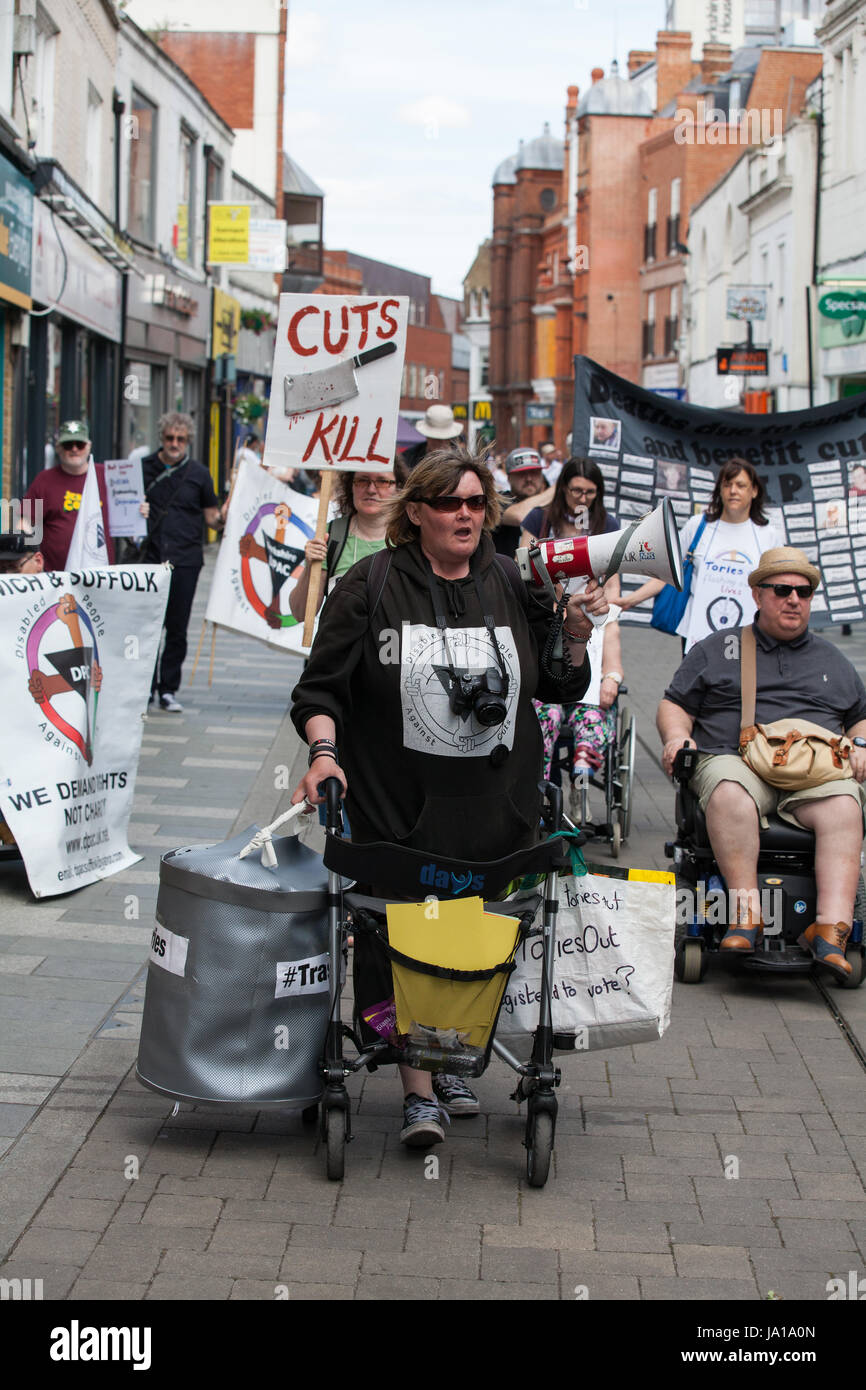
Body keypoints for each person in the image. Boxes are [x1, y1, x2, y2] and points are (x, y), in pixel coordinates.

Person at [290, 446, 608, 1146]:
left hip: (496, 812)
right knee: (399, 934)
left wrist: (577, 635)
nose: (464, 514)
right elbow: (319, 692)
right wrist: (322, 753)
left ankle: (451, 1055)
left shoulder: (510, 580)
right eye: (449, 503)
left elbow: (559, 684)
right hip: (396, 810)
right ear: (417, 513)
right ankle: (419, 1088)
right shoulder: (370, 584)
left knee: (475, 937)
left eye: (475, 503)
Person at [657, 547, 866, 978]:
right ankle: (746, 913)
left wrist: (860, 742)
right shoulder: (717, 649)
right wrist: (677, 736)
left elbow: (859, 717)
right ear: (757, 593)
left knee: (846, 806)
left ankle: (831, 930)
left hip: (813, 774)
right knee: (730, 793)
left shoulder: (833, 660)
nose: (794, 599)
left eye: (804, 592)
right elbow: (674, 703)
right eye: (783, 589)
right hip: (736, 763)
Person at [519, 458, 624, 805]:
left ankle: (581, 779)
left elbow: (612, 592)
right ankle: (537, 788)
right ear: (562, 487)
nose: (583, 498)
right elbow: (525, 568)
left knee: (590, 715)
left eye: (591, 492)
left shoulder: (606, 522)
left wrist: (612, 672)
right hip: (548, 613)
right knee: (542, 714)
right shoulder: (540, 519)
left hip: (589, 616)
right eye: (577, 490)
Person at [620, 457, 782, 651]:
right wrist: (630, 600)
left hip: (748, 635)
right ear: (719, 490)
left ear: (754, 491)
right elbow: (668, 572)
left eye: (741, 485)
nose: (733, 491)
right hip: (696, 635)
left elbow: (777, 587)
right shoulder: (698, 526)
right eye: (727, 484)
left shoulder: (768, 535)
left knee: (744, 682)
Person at [140, 412, 225, 713]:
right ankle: (144, 687)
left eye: (180, 439)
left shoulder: (199, 474)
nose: (174, 444)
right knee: (147, 626)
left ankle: (168, 690)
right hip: (148, 558)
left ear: (188, 441)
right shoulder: (142, 469)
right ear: (161, 438)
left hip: (185, 560)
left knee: (176, 627)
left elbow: (212, 519)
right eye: (169, 438)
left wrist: (227, 515)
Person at [288, 463, 406, 622]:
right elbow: (300, 613)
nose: (371, 489)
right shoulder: (332, 535)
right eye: (362, 480)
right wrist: (310, 567)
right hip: (337, 644)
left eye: (382, 481)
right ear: (350, 486)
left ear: (399, 488)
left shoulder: (409, 540)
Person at [23, 420, 115, 571]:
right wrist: (25, 554)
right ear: (58, 448)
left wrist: (139, 511)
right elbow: (24, 521)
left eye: (79, 444)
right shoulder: (44, 480)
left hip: (100, 576)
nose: (74, 449)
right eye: (68, 445)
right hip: (56, 578)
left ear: (89, 446)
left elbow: (128, 516)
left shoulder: (108, 475)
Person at [492, 447, 554, 561]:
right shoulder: (498, 500)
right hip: (508, 575)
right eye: (522, 474)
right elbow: (520, 516)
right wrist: (557, 488)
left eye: (534, 472)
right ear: (509, 478)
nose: (529, 478)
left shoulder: (552, 502)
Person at [401, 404, 463, 469]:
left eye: (444, 438)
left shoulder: (462, 462)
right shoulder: (408, 457)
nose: (440, 442)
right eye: (435, 438)